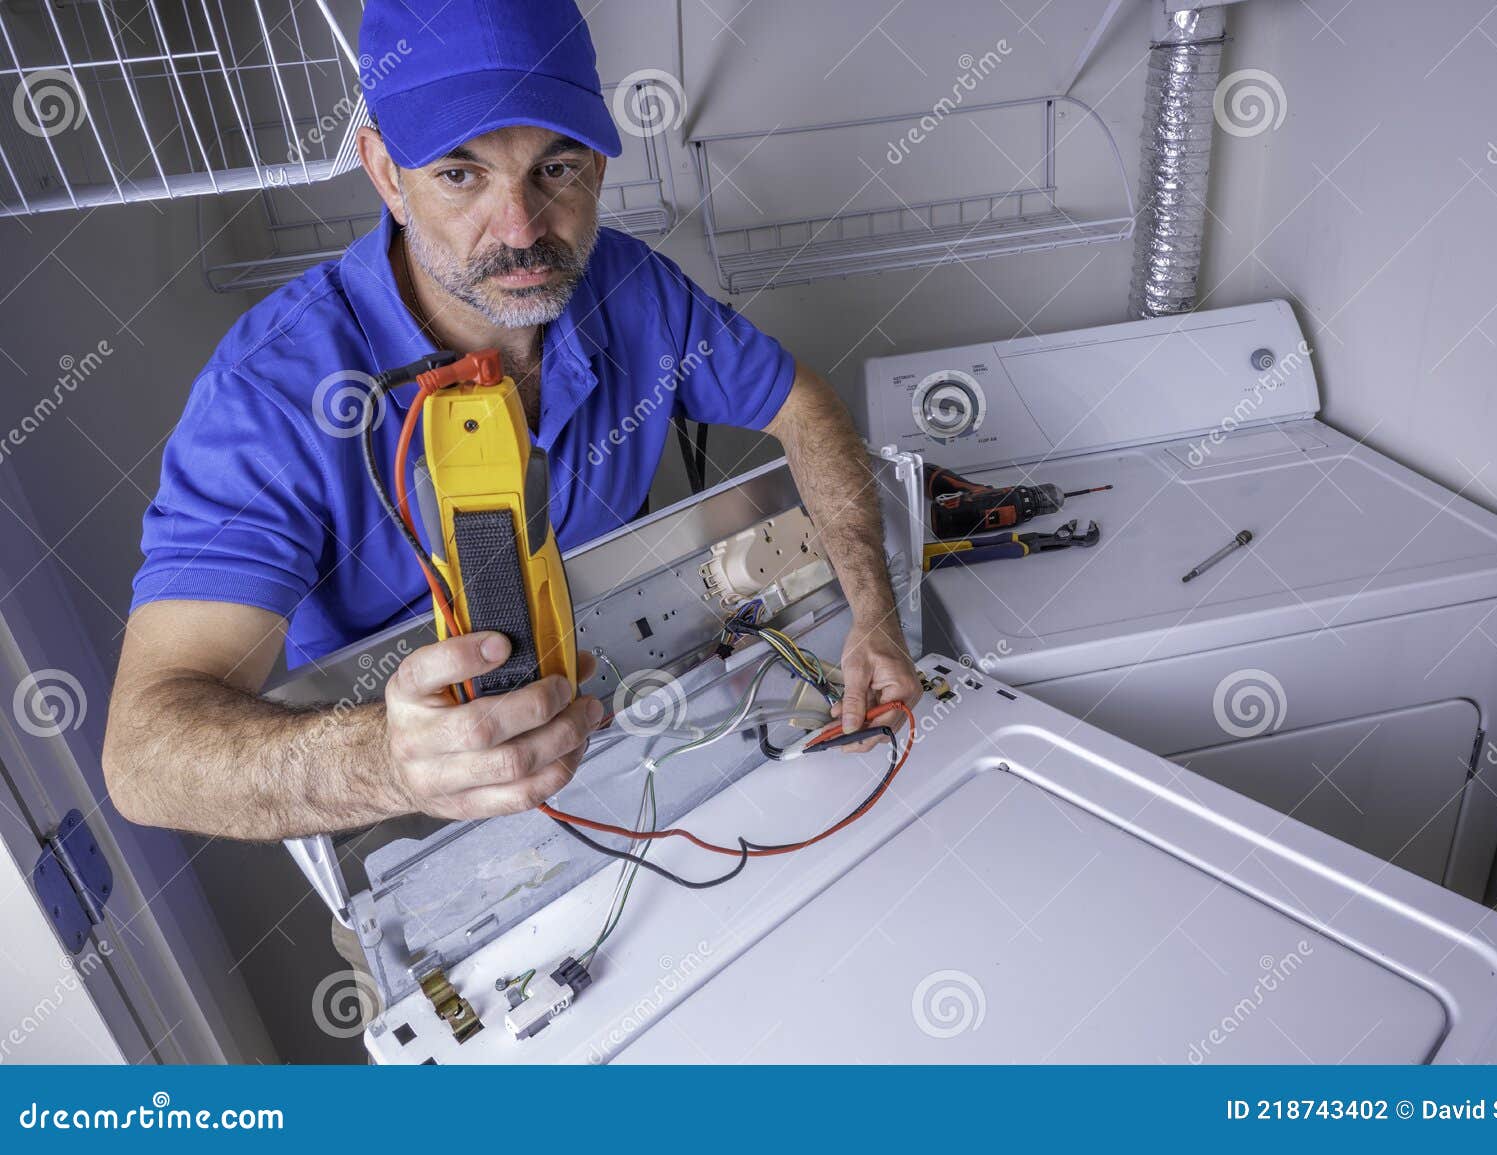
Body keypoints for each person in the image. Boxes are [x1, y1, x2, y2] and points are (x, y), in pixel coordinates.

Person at [102, 0, 920, 841]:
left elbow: (799, 402)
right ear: (386, 172)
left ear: (599, 165)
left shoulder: (632, 289)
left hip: (634, 744)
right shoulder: (272, 397)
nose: (522, 231)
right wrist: (389, 761)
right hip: (419, 823)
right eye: (461, 175)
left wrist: (873, 613)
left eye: (555, 169)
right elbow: (144, 755)